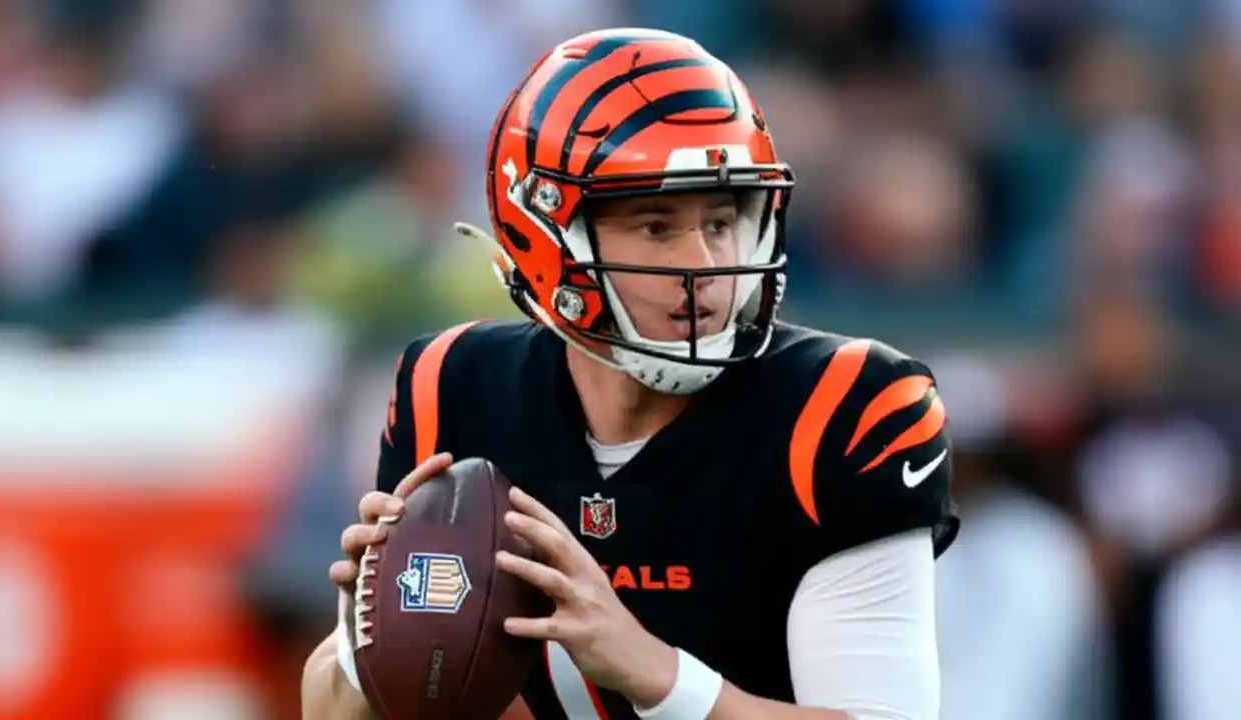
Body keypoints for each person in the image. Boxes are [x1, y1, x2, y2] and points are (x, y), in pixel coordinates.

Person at [301, 27, 959, 720]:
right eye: (655, 227)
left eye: (722, 218)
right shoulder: (451, 385)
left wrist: (656, 675)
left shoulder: (846, 405)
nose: (705, 265)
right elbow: (332, 708)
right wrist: (368, 652)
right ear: (547, 233)